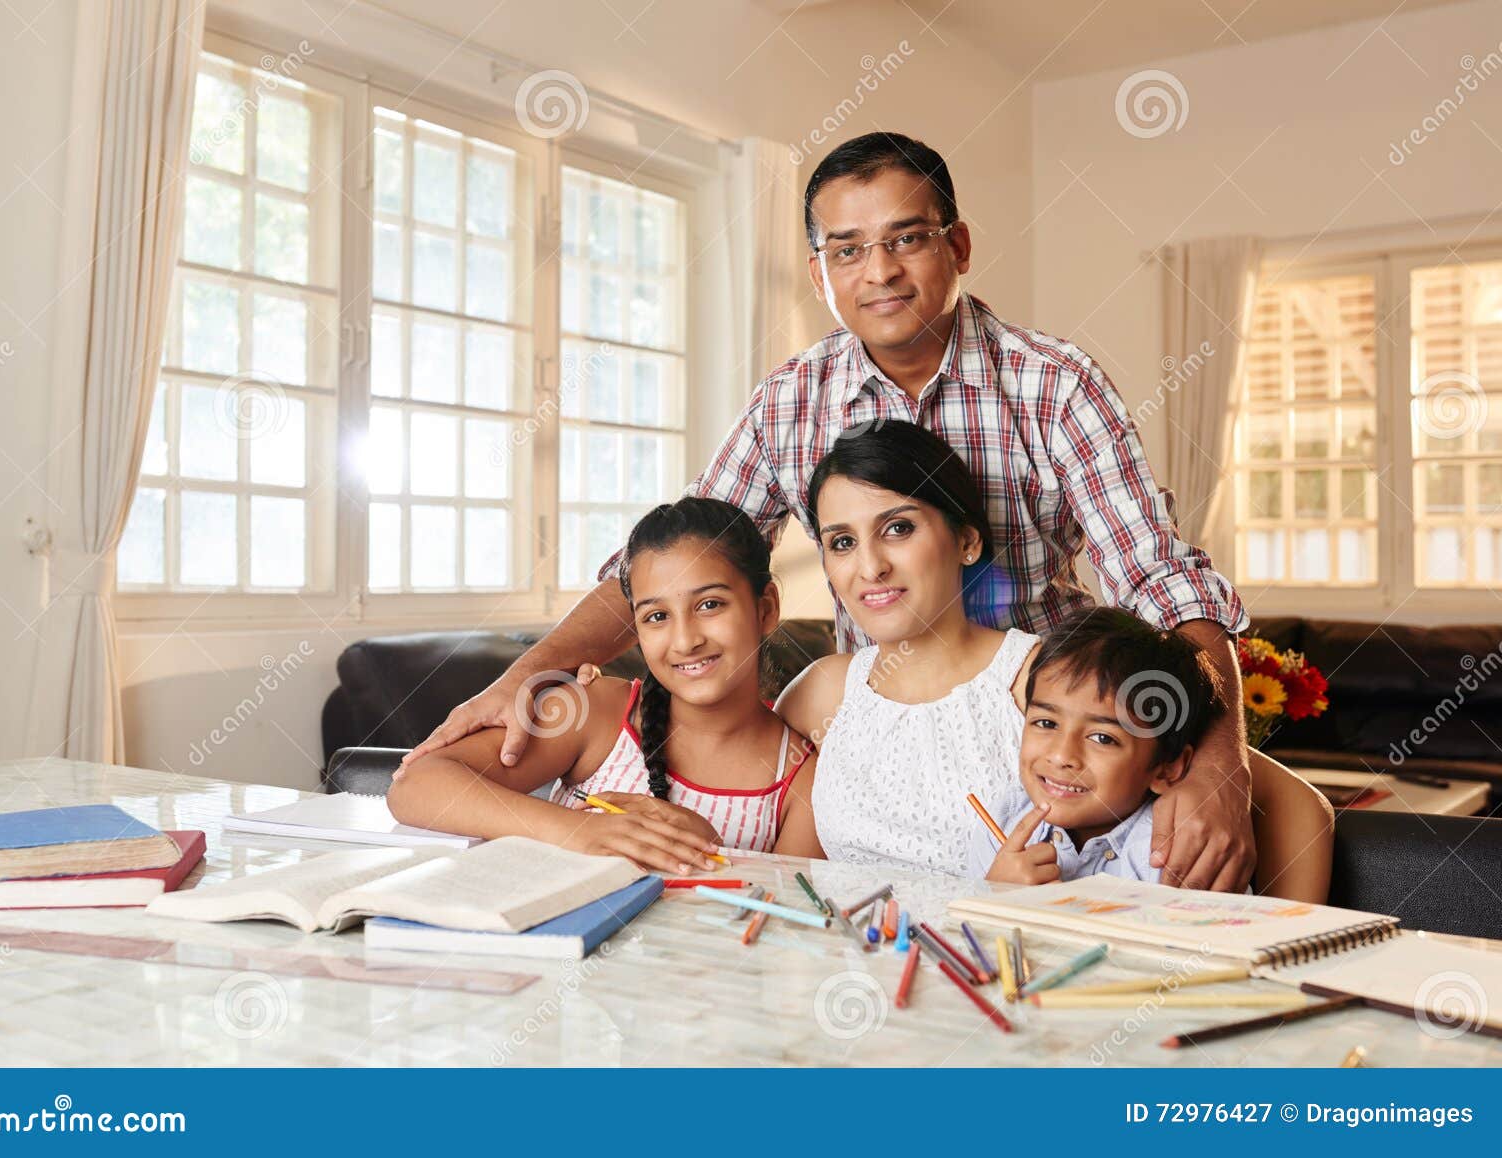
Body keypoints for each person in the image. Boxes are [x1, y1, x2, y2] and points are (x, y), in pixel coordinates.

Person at [407, 130, 1255, 891]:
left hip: (1044, 741)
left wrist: (1223, 763)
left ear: (958, 246)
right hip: (880, 743)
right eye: (847, 250)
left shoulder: (1053, 385)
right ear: (819, 274)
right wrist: (526, 677)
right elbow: (677, 560)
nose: (878, 272)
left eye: (906, 239)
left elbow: (1160, 579)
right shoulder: (792, 401)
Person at [775, 422, 1331, 901]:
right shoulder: (823, 691)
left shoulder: (1046, 678)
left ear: (967, 541)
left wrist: (1287, 966)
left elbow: (1300, 808)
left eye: (899, 528)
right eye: (841, 542)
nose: (869, 566)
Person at [387, 497, 823, 871]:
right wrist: (578, 831)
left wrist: (711, 852)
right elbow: (415, 785)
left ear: (766, 609)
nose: (685, 640)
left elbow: (787, 919)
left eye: (710, 605)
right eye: (656, 616)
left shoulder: (804, 779)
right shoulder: (595, 711)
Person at [977, 608, 1332, 902]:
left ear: (1166, 768)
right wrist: (993, 896)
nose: (1061, 755)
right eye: (1046, 723)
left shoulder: (1176, 853)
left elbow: (1203, 959)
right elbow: (967, 946)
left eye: (1102, 737)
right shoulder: (1002, 817)